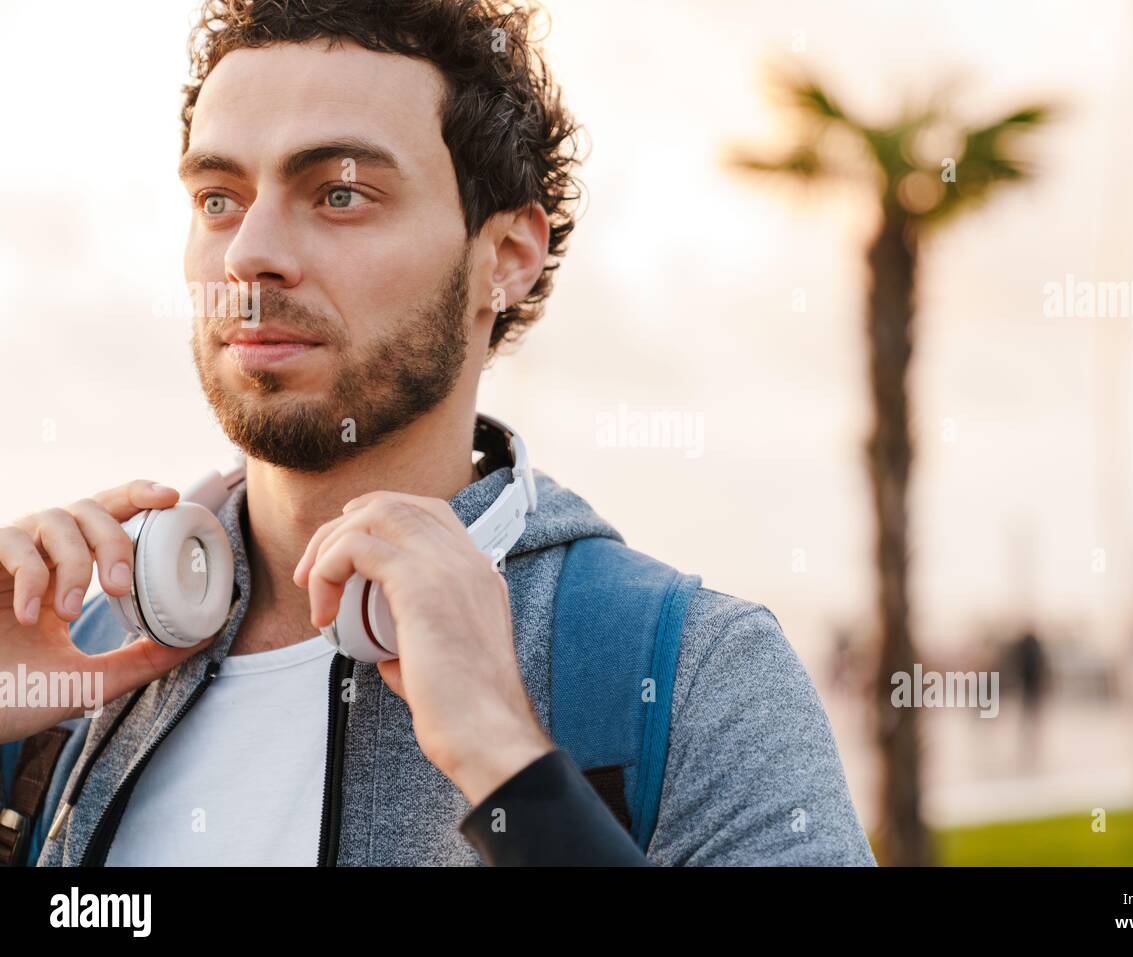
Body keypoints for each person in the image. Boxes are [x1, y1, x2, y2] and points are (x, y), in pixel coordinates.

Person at [0, 0, 874, 867]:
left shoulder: (694, 675)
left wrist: (509, 767)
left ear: (505, 258)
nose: (249, 252)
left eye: (340, 192)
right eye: (219, 197)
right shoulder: (74, 658)